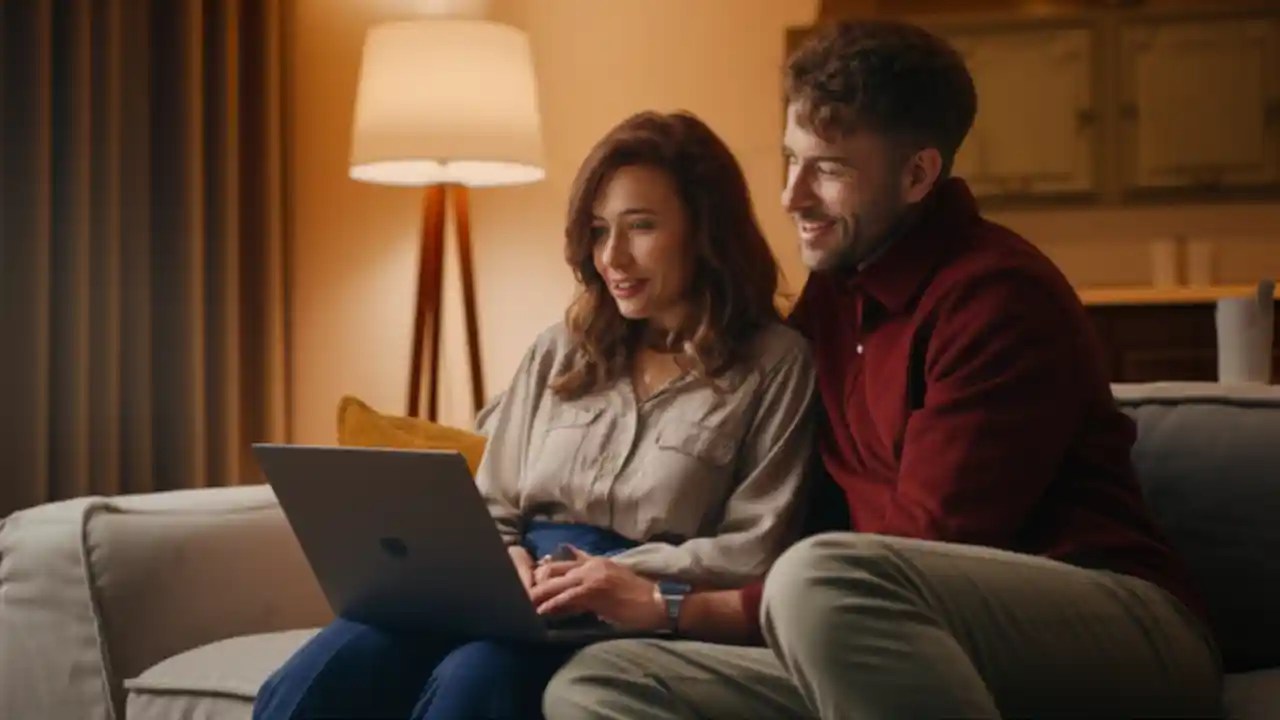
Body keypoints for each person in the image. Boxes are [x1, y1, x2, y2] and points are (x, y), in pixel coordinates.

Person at [543, 20, 1224, 720]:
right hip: (880, 636)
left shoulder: (997, 298)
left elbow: (920, 552)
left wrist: (670, 605)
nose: (792, 196)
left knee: (822, 575)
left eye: (829, 169)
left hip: (1120, 632)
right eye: (791, 160)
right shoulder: (836, 294)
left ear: (918, 174)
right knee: (600, 684)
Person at [251, 110, 816, 720]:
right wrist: (508, 561)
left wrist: (612, 580)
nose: (613, 257)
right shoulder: (562, 348)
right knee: (329, 668)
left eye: (641, 227)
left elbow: (754, 549)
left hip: (627, 601)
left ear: (706, 232)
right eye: (599, 231)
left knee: (475, 679)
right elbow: (494, 501)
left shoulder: (776, 364)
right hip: (510, 583)